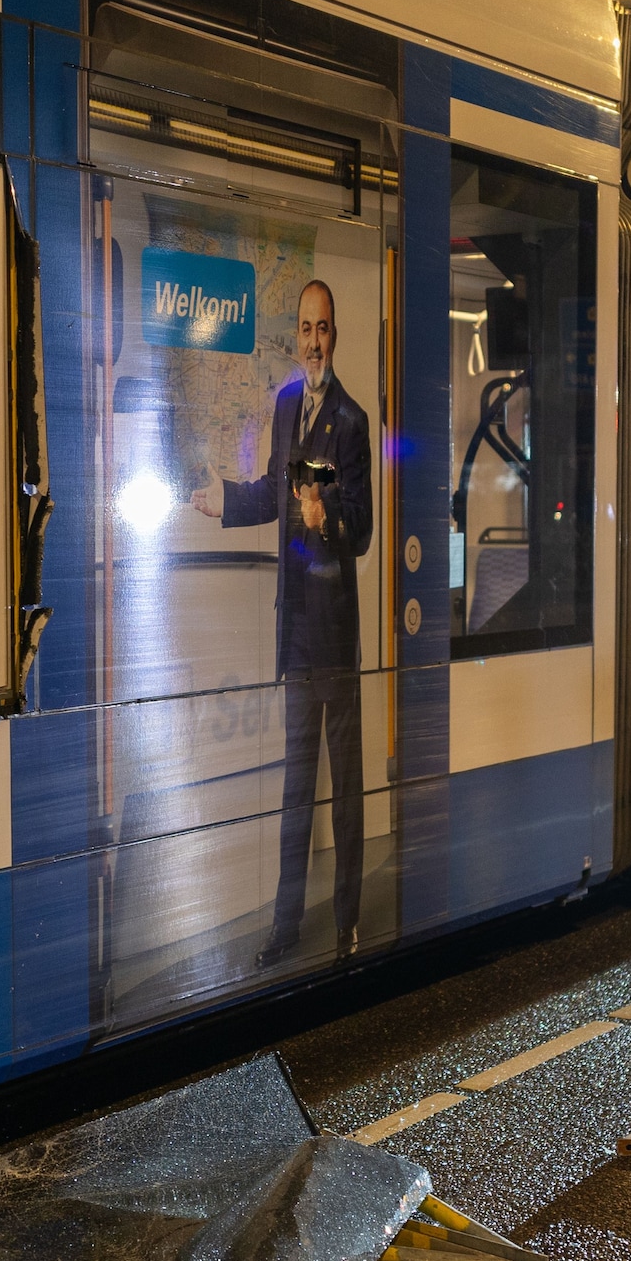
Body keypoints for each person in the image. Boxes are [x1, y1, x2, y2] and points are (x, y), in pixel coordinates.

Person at [192, 279, 373, 964]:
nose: (313, 340)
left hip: (336, 633)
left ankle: (349, 926)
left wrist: (333, 519)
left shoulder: (352, 422)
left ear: (335, 335)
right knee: (297, 787)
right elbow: (275, 487)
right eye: (305, 327)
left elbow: (362, 527)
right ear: (296, 335)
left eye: (323, 328)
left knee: (346, 793)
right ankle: (285, 927)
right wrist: (225, 502)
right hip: (295, 626)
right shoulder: (287, 404)